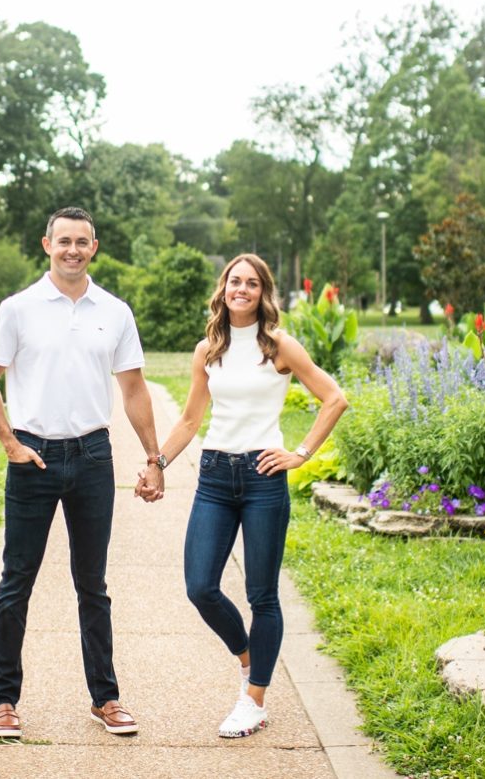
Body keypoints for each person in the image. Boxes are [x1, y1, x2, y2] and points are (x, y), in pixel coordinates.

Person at [0, 206, 165, 740]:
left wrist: (154, 458)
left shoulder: (115, 311)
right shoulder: (18, 309)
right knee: (17, 580)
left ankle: (105, 698)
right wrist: (10, 443)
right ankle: (3, 701)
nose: (73, 249)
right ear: (46, 244)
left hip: (92, 458)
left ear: (94, 247)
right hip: (33, 457)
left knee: (93, 584)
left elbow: (133, 389)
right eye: (64, 241)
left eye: (82, 241)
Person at [143, 253, 348, 738]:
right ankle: (250, 659)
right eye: (235, 281)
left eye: (252, 283)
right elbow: (191, 420)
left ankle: (254, 699)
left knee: (262, 595)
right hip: (214, 476)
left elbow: (334, 397)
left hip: (262, 478)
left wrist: (299, 453)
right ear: (224, 288)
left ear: (263, 292)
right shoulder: (208, 349)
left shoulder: (278, 346)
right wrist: (157, 463)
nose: (242, 289)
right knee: (200, 586)